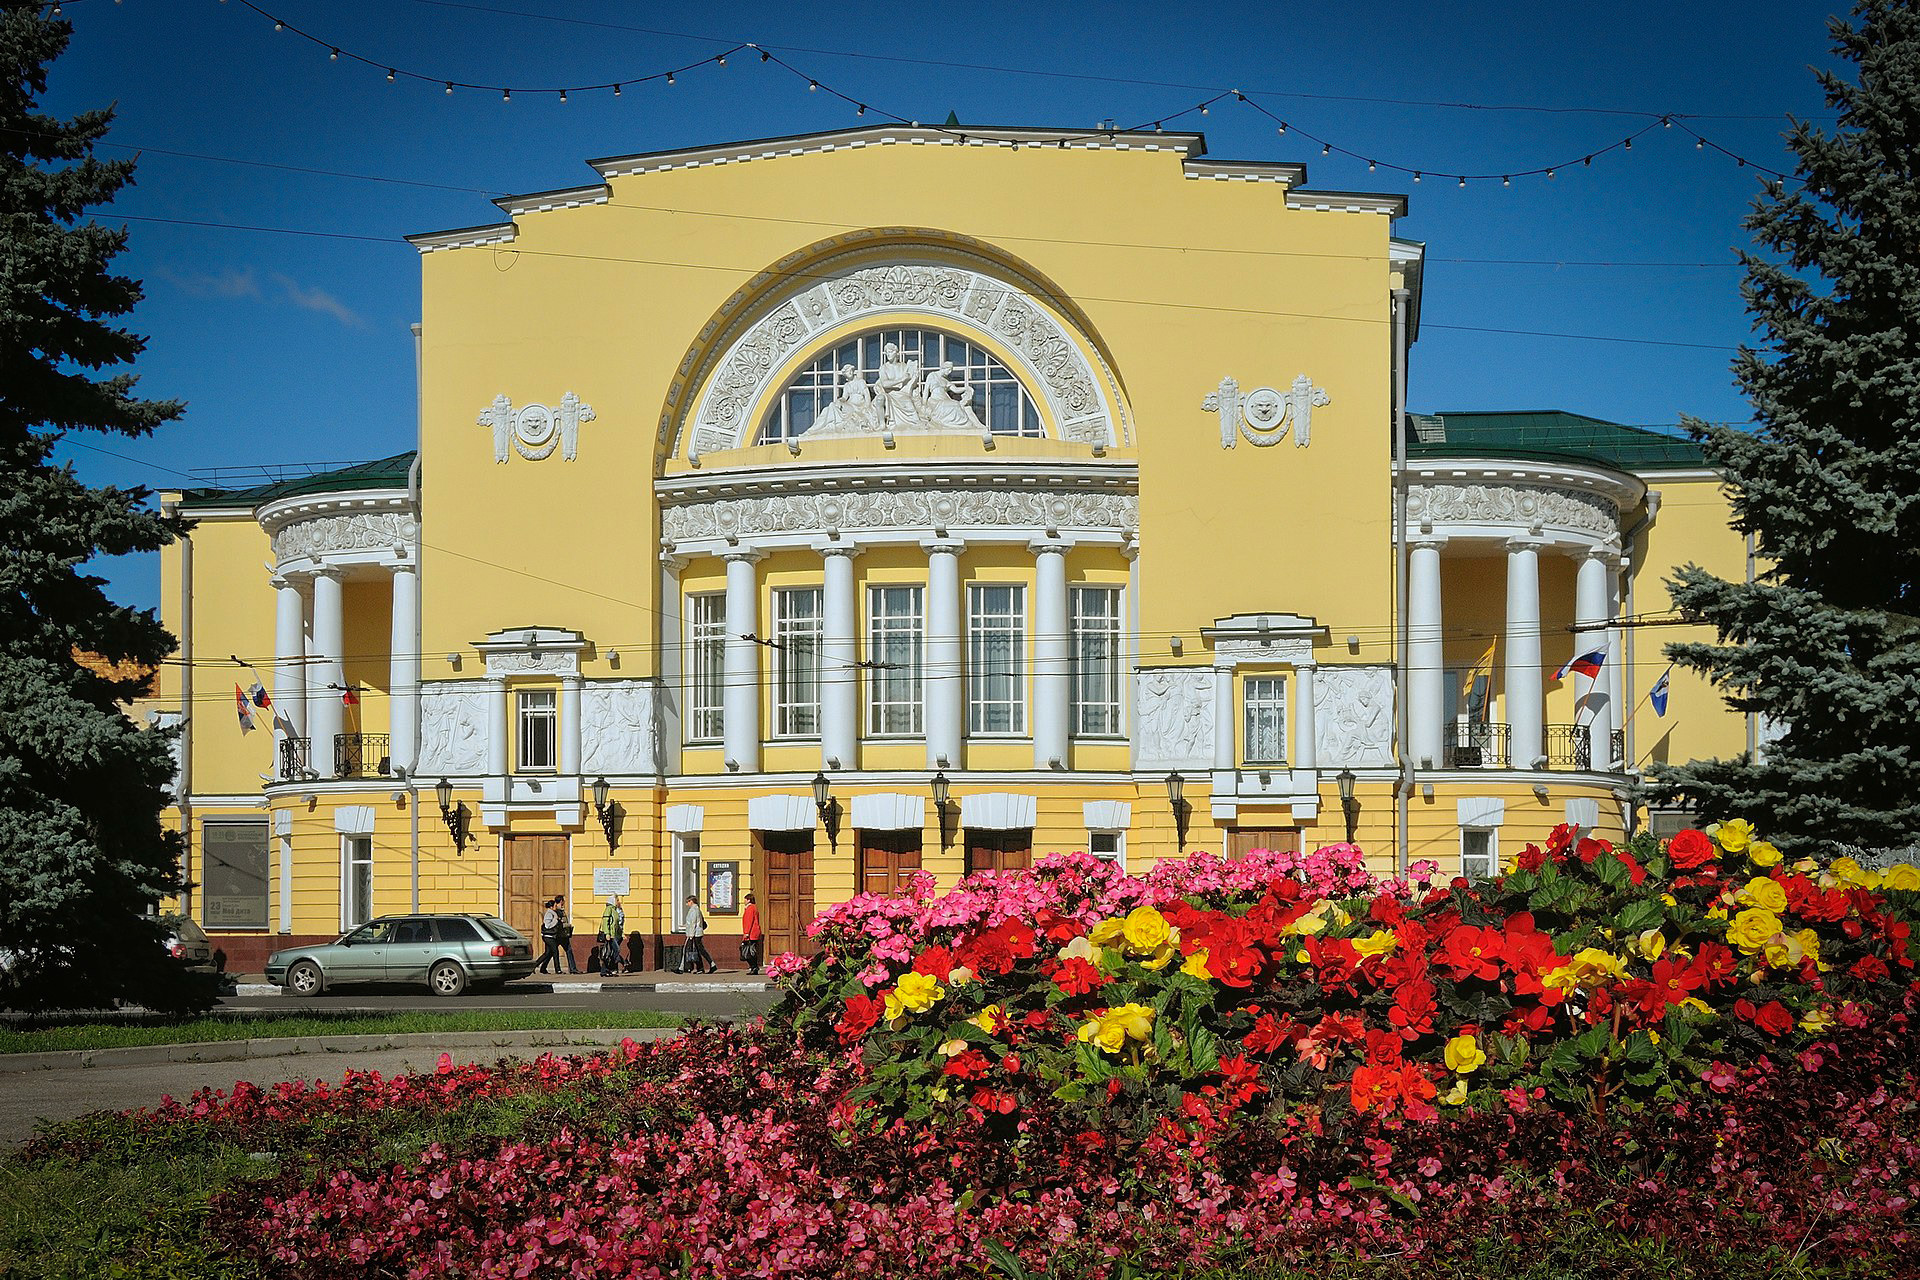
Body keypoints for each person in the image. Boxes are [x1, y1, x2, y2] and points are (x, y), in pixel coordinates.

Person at [682, 895, 717, 974]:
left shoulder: (694, 910)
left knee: (700, 950)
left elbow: (693, 923)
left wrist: (691, 935)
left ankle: (711, 964)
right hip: (696, 933)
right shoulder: (695, 909)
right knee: (698, 950)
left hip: (695, 934)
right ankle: (701, 968)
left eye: (687, 902)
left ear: (691, 901)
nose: (687, 904)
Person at [535, 897, 565, 974]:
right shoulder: (549, 913)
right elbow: (548, 926)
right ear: (551, 907)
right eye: (555, 905)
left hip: (551, 936)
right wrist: (555, 920)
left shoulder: (553, 913)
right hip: (548, 937)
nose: (556, 907)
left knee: (547, 953)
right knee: (555, 952)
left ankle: (537, 966)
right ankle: (558, 970)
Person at [598, 895, 625, 977]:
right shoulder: (609, 909)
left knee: (610, 952)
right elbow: (605, 922)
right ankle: (607, 969)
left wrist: (621, 933)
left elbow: (616, 924)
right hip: (610, 935)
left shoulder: (614, 910)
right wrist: (607, 933)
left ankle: (606, 970)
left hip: (614, 935)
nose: (618, 902)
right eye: (617, 900)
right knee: (612, 951)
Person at [741, 891, 763, 976]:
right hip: (753, 932)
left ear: (749, 900)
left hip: (751, 933)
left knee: (750, 952)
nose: (744, 901)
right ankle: (754, 967)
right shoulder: (753, 908)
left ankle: (754, 967)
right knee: (751, 951)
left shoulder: (750, 908)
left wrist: (746, 933)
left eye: (745, 899)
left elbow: (748, 921)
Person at [554, 899, 580, 974]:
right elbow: (559, 923)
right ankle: (540, 965)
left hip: (564, 935)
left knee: (568, 951)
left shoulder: (562, 911)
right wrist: (568, 925)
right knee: (550, 953)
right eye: (562, 902)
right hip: (559, 935)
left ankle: (573, 969)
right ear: (559, 902)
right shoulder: (557, 912)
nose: (563, 903)